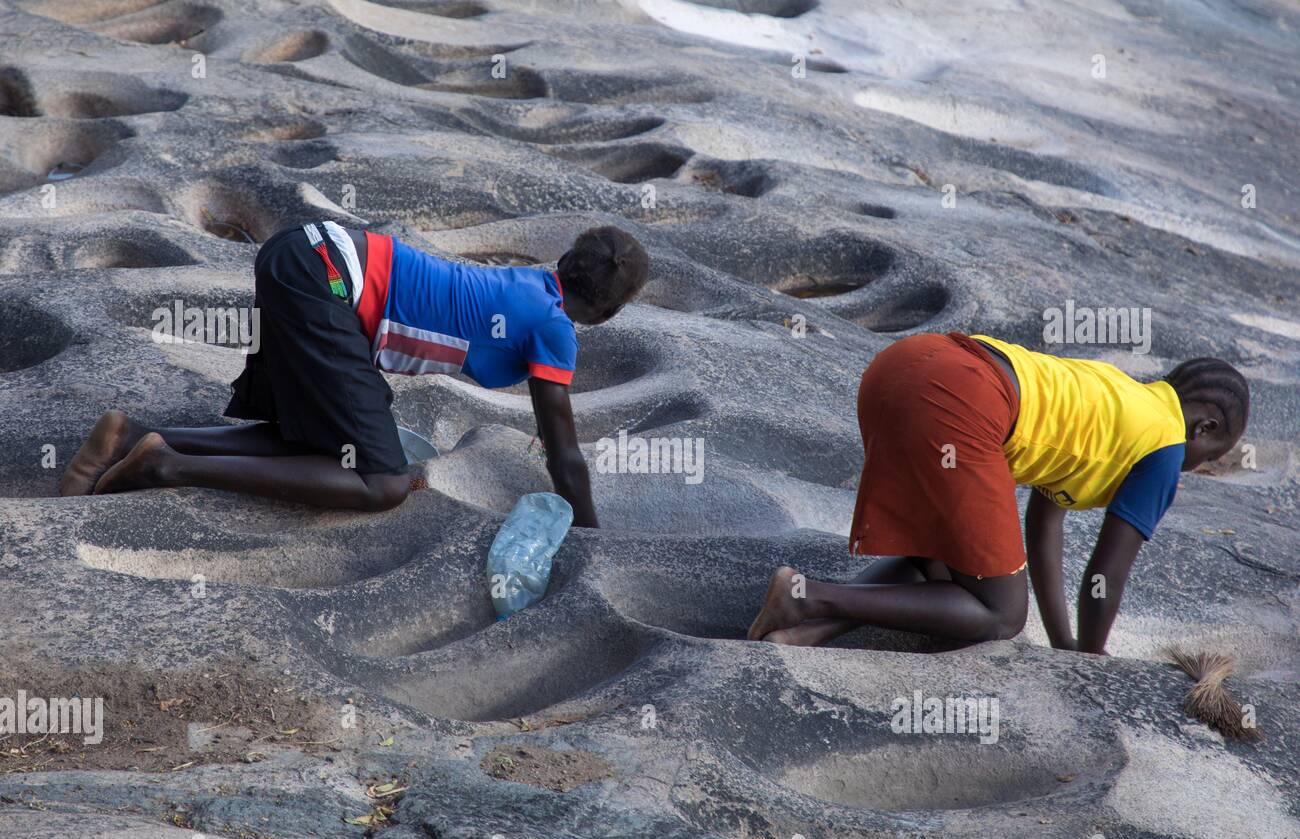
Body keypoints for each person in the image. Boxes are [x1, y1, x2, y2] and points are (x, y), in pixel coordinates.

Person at [60, 222, 649, 527]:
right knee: (382, 482)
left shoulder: (526, 285)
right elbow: (564, 453)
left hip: (306, 250)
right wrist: (588, 537)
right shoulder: (554, 328)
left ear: (565, 261)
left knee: (315, 440)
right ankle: (168, 466)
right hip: (327, 283)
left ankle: (127, 436)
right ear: (611, 311)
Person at [748, 331, 1249, 654]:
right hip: (959, 399)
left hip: (908, 363)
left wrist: (1064, 644)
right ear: (1202, 428)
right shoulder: (1163, 448)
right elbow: (1105, 576)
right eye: (1207, 457)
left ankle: (809, 622)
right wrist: (1093, 660)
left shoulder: (1121, 401)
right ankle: (810, 596)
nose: (1193, 469)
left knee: (940, 564)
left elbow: (1044, 525)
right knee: (1002, 614)